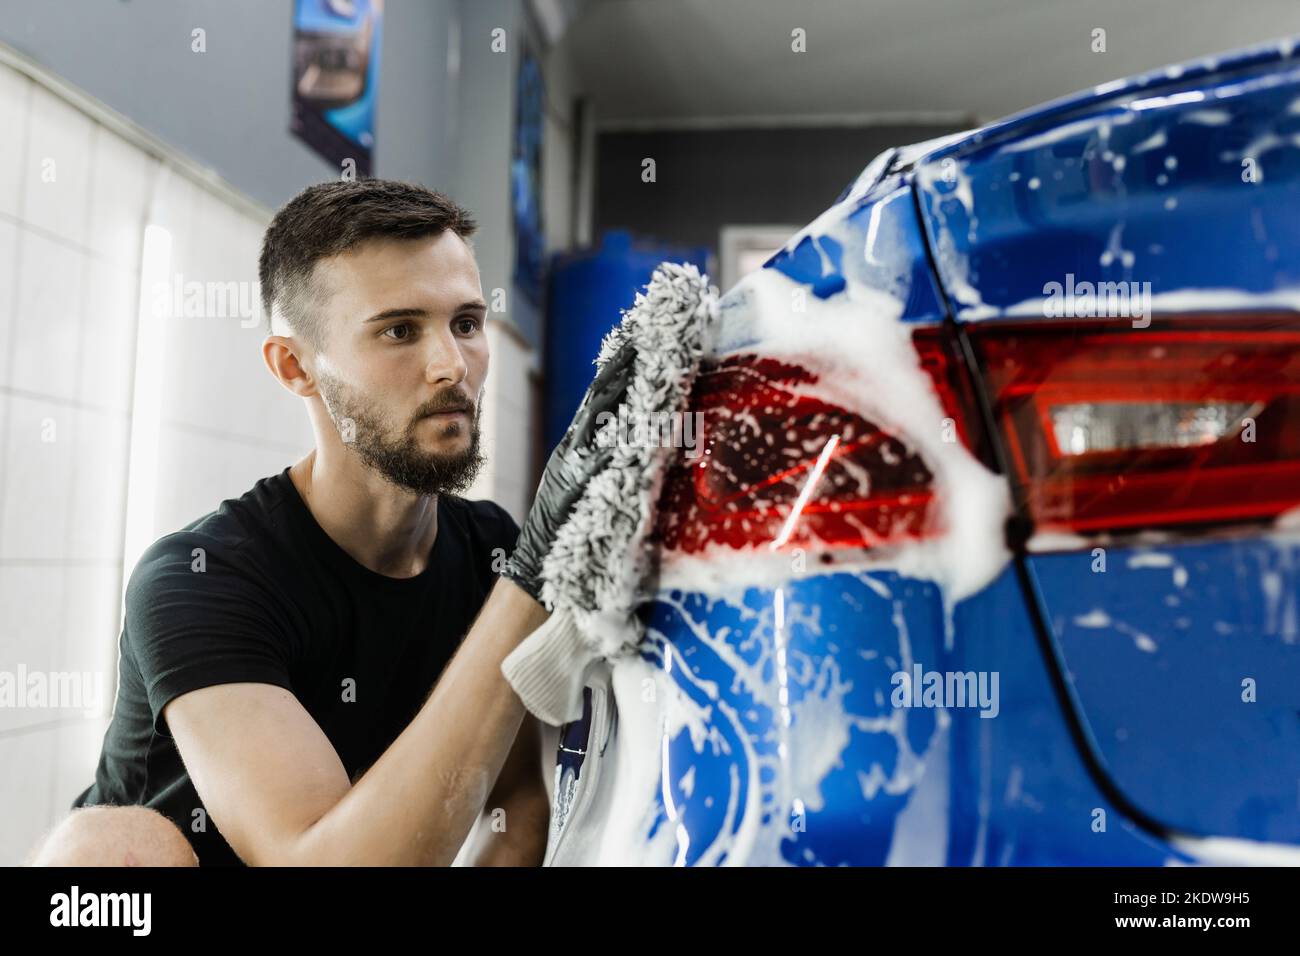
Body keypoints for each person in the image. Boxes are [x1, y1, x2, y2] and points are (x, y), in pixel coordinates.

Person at [26, 179, 631, 866]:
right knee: (108, 847)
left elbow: (516, 804)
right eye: (400, 330)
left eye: (465, 323)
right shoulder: (200, 579)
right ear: (295, 366)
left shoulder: (489, 548)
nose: (451, 365)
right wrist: (526, 588)